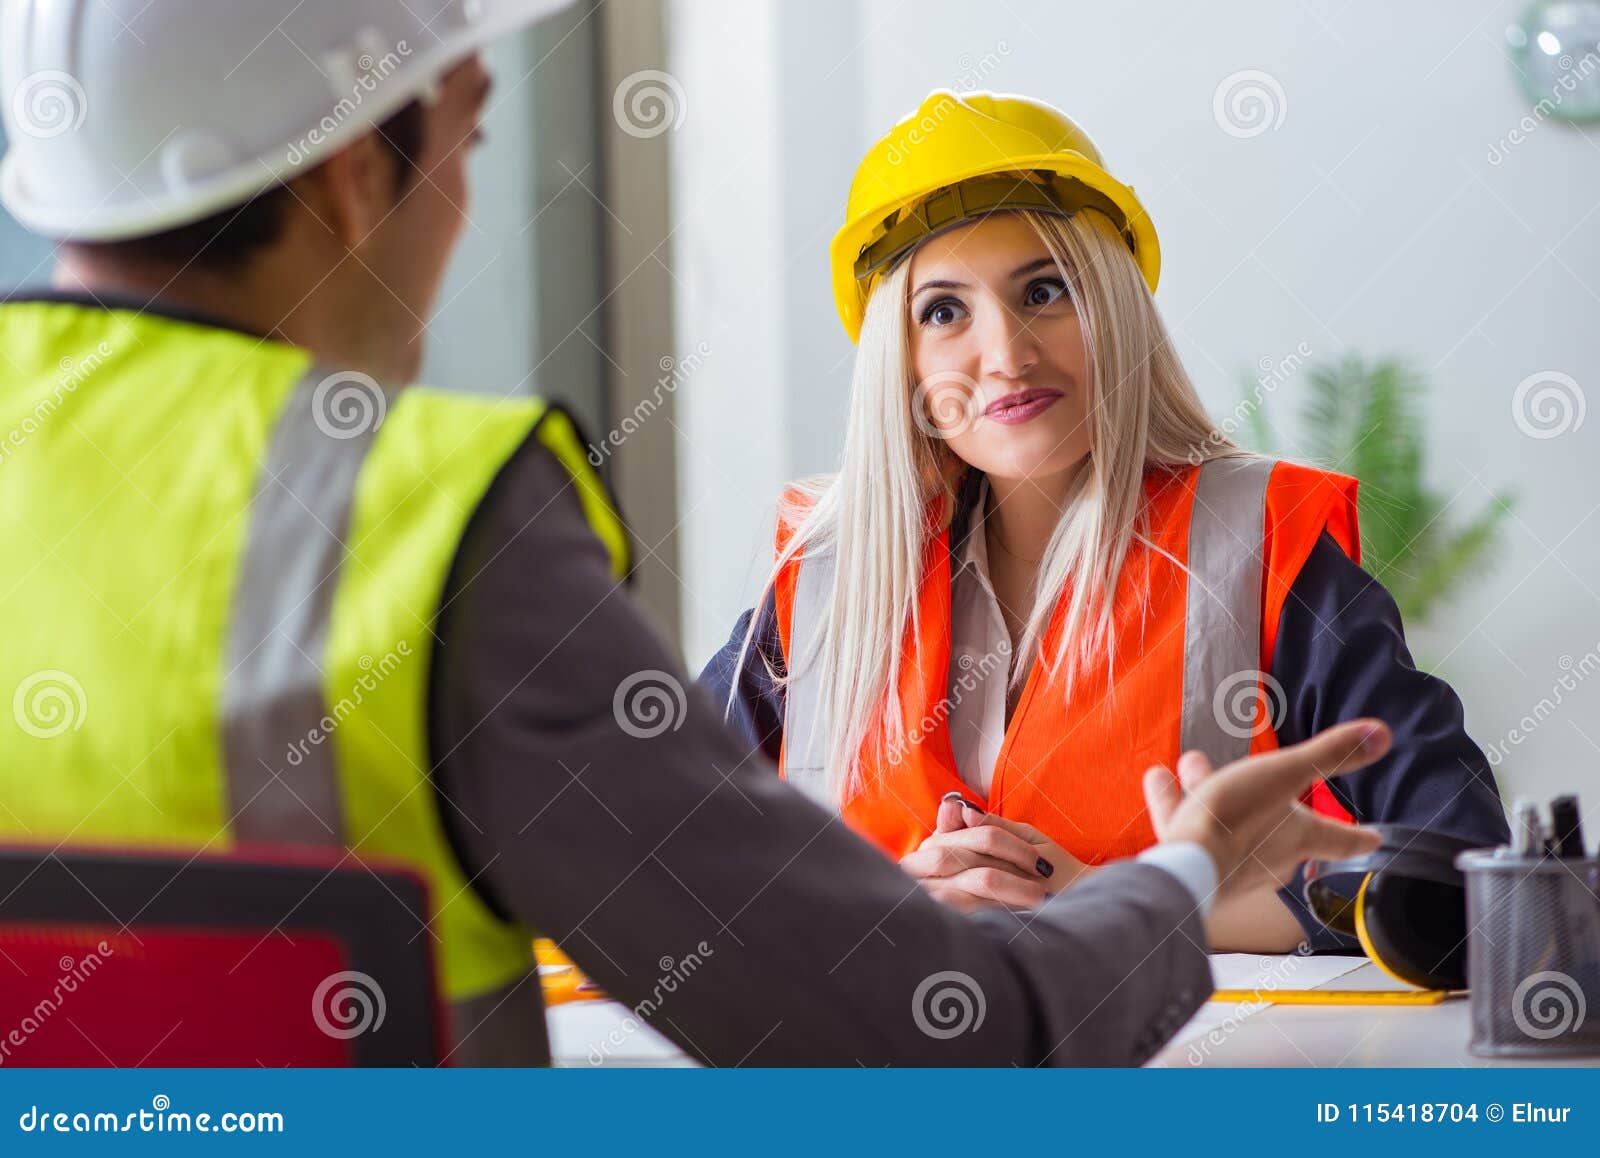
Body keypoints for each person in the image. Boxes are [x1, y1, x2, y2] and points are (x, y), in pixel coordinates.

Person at [0, 0, 1383, 1067]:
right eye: (470, 141)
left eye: (1041, 291)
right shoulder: (436, 514)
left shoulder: (1259, 541)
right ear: (360, 172)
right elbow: (935, 1033)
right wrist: (1183, 870)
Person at [701, 91, 1508, 952]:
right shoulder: (825, 582)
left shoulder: (1259, 542)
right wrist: (884, 908)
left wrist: (1140, 906)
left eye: (1045, 291)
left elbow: (1461, 872)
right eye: (943, 311)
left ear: (1115, 311)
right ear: (899, 363)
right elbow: (640, 861)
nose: (1007, 355)